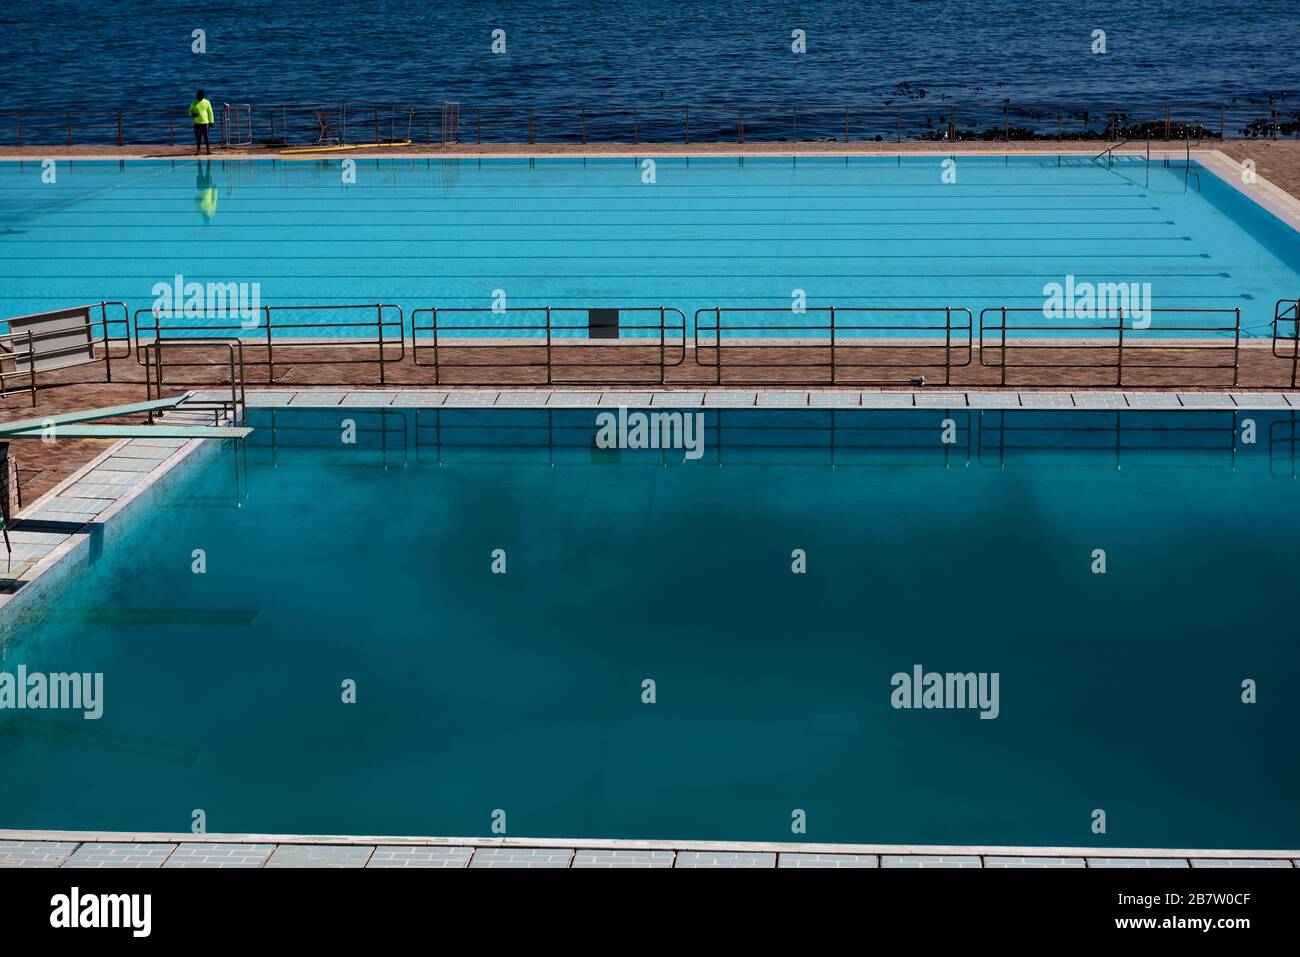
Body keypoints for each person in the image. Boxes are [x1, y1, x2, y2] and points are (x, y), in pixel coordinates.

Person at [189, 89, 214, 155]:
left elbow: (210, 112)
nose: (199, 97)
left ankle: (208, 151)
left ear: (203, 96)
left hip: (205, 123)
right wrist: (192, 114)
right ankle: (198, 150)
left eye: (200, 96)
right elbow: (190, 111)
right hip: (197, 123)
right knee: (198, 137)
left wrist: (211, 121)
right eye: (198, 95)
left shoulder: (207, 102)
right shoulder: (194, 102)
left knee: (206, 137)